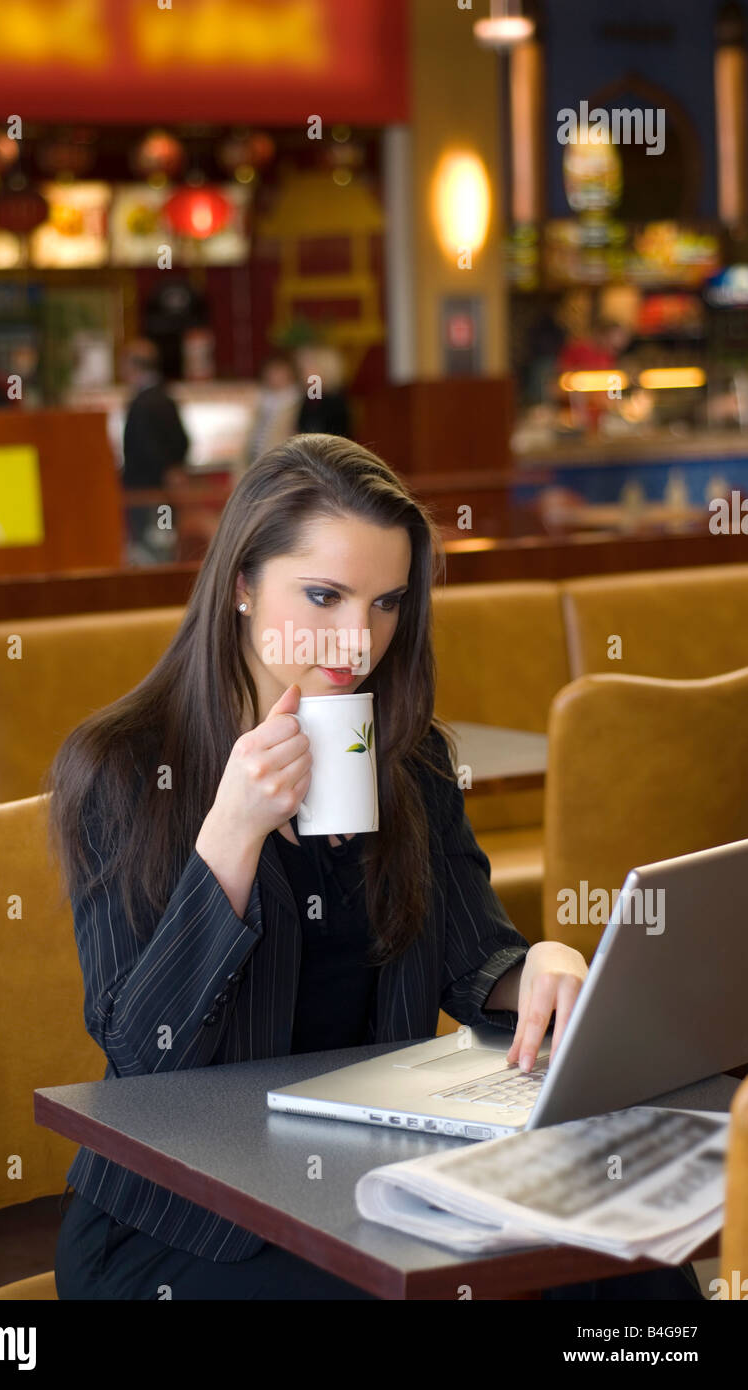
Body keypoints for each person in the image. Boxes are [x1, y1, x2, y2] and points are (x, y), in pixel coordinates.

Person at [48, 433, 702, 1301]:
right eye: (323, 596)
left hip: (369, 1181)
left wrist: (540, 966)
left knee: (628, 1274)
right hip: (183, 1222)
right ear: (242, 585)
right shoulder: (124, 768)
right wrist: (231, 837)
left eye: (386, 603)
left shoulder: (407, 755)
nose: (358, 639)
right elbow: (139, 1054)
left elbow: (476, 958)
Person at [120, 338, 189, 563]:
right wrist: (174, 468)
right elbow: (183, 440)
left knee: (150, 551)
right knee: (164, 542)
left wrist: (166, 471)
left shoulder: (141, 404)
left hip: (145, 494)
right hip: (165, 495)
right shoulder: (166, 397)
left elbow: (144, 447)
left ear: (132, 366)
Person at [245, 352, 302, 464]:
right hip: (255, 463)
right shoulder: (261, 401)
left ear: (290, 373)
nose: (273, 376)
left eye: (278, 371)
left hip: (281, 465)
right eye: (270, 371)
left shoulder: (298, 402)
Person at [295, 345, 352, 438]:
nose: (304, 374)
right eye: (303, 369)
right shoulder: (307, 398)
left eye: (310, 368)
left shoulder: (336, 402)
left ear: (327, 370)